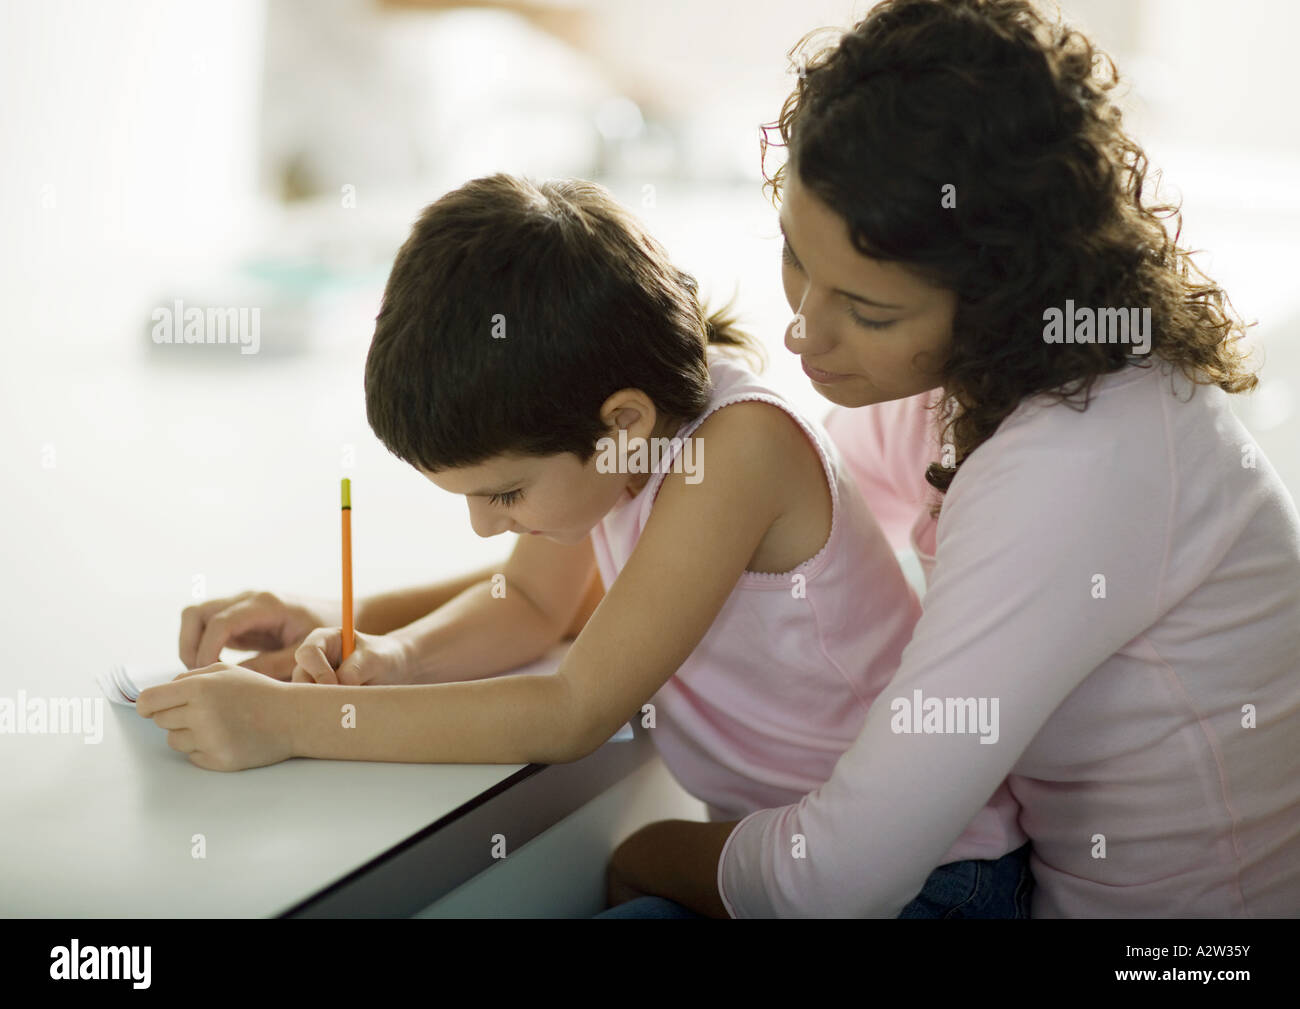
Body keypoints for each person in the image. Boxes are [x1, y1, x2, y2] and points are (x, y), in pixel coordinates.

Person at [147, 172, 1030, 916]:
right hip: (793, 854)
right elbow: (532, 603)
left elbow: (573, 710)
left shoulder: (738, 450)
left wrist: (295, 723)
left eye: (504, 493)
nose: (486, 524)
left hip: (937, 879)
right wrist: (367, 635)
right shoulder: (620, 438)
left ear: (623, 424)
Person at [604, 0, 1300, 917]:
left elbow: (837, 877)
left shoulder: (1079, 461)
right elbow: (762, 514)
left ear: (1005, 294)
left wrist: (650, 850)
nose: (801, 329)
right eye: (792, 254)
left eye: (871, 311)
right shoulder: (975, 383)